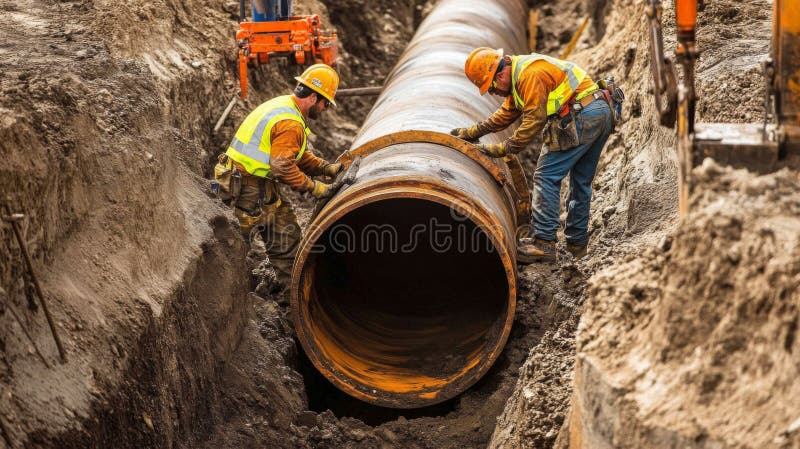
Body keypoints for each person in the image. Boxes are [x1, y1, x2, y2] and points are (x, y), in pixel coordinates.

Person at [451, 48, 615, 262]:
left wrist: (504, 148)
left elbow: (533, 120)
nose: (492, 93)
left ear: (500, 75)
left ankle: (543, 243)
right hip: (599, 111)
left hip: (582, 116)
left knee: (546, 176)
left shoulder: (530, 75)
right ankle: (577, 244)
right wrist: (473, 131)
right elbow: (506, 114)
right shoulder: (519, 75)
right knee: (580, 181)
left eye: (490, 87)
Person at [213, 63, 347, 283]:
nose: (325, 109)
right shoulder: (290, 123)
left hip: (257, 185)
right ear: (313, 97)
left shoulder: (284, 107)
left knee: (289, 246)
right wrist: (315, 187)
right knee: (232, 250)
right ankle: (227, 293)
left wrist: (324, 168)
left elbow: (292, 153)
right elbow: (282, 166)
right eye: (326, 104)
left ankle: (291, 302)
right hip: (245, 189)